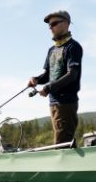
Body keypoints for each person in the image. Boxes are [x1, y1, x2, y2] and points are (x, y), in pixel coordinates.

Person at [27, 10, 83, 144]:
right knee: (61, 143)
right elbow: (47, 75)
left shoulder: (73, 47)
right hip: (53, 102)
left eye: (54, 23)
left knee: (62, 144)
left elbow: (72, 74)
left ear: (66, 24)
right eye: (49, 25)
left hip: (66, 103)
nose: (50, 27)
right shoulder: (52, 50)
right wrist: (36, 79)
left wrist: (48, 87)